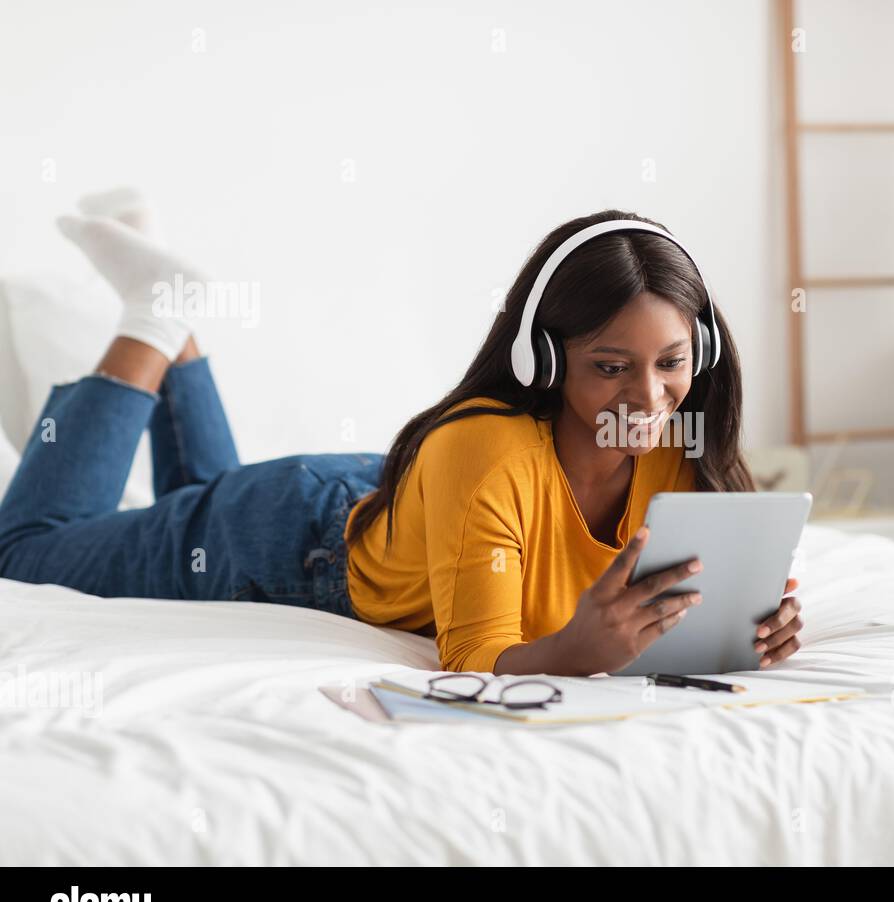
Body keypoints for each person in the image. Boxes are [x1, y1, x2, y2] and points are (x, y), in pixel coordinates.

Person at [0, 196, 804, 675]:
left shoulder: (681, 445)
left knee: (187, 505)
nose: (649, 397)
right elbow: (473, 658)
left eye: (671, 363)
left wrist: (752, 628)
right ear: (544, 360)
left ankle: (167, 294)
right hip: (291, 540)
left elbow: (684, 608)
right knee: (26, 553)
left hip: (407, 502)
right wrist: (579, 648)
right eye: (611, 367)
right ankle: (152, 310)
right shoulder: (485, 454)